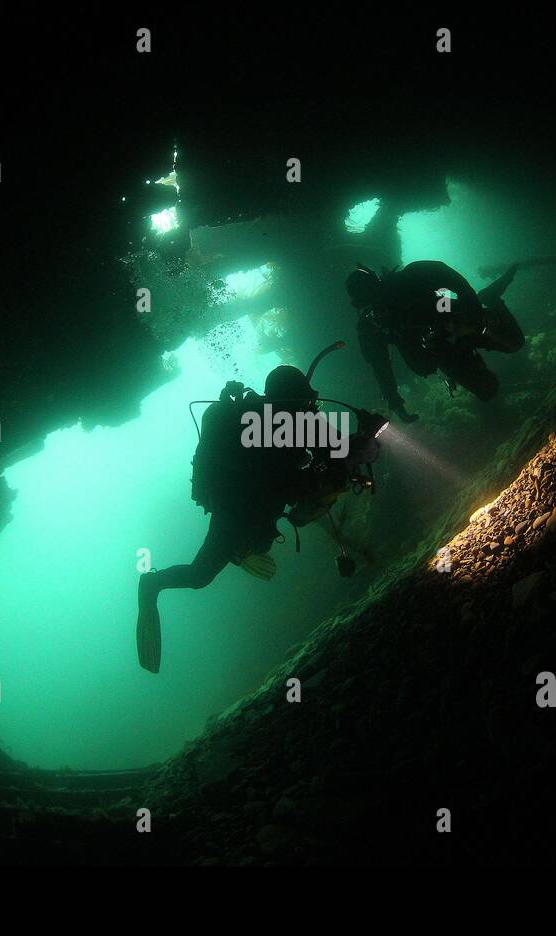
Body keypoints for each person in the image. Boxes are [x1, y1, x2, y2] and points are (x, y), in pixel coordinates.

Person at [135, 365, 322, 673]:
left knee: (257, 545)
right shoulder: (258, 423)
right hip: (234, 511)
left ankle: (242, 550)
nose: (309, 409)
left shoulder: (291, 421)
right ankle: (151, 584)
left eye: (309, 402)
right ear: (286, 399)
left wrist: (359, 445)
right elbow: (271, 476)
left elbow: (323, 448)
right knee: (200, 575)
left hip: (255, 510)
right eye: (302, 402)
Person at [347, 260, 525, 422]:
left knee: (514, 342)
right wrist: (394, 401)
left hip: (459, 325)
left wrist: (471, 312)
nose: (376, 302)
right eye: (367, 300)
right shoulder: (372, 325)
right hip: (441, 351)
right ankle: (489, 303)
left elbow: (447, 280)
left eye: (372, 293)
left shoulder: (410, 279)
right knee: (487, 390)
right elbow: (380, 365)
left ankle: (492, 299)